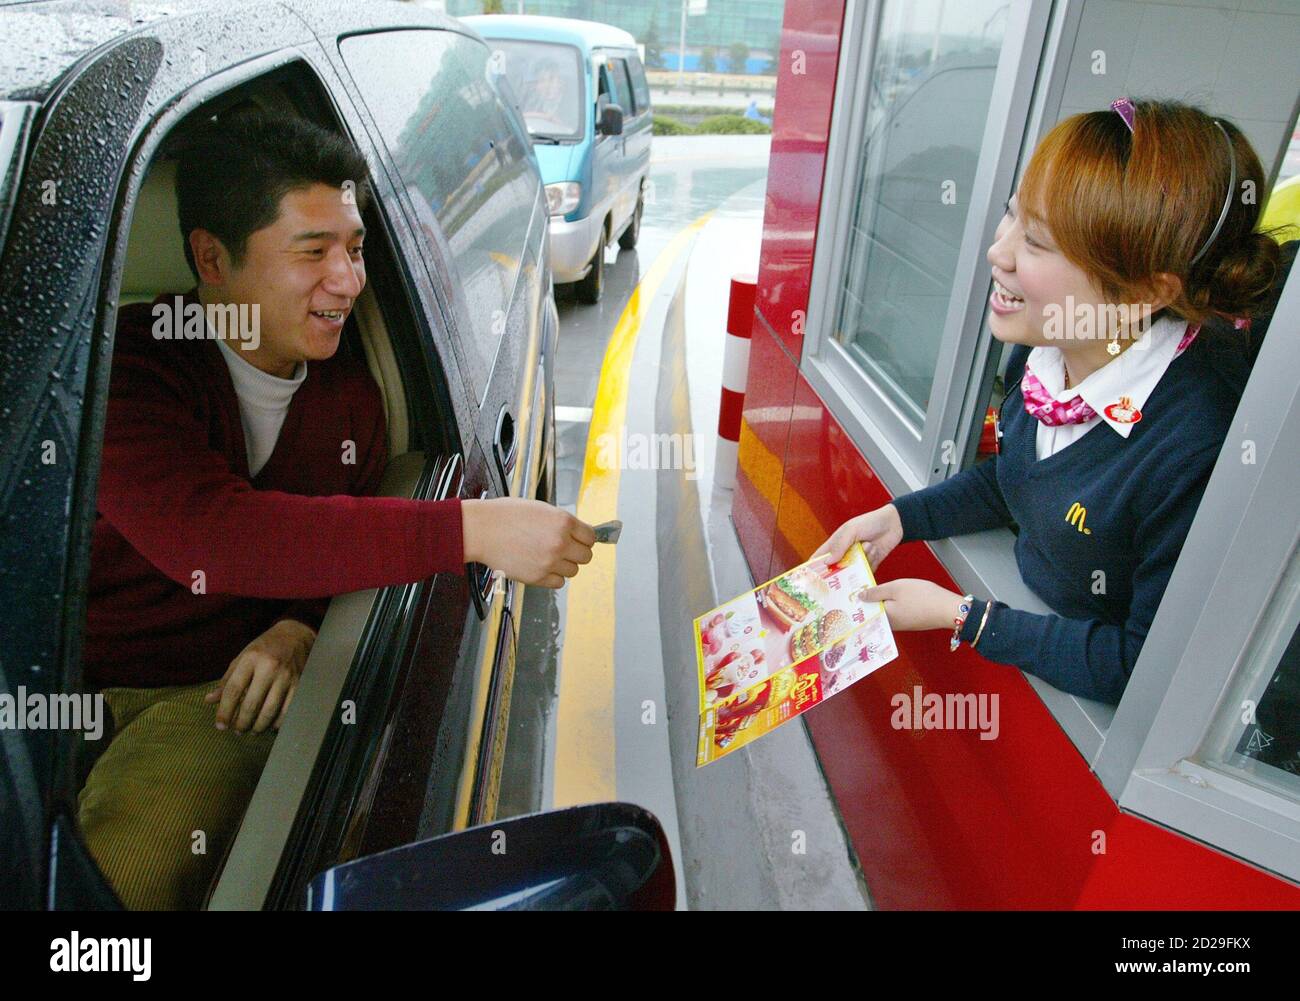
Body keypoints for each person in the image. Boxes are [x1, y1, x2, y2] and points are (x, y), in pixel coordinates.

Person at [78, 112, 595, 909]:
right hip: (68, 676)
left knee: (123, 883)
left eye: (354, 249)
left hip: (210, 697)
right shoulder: (130, 371)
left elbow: (334, 535)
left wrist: (301, 624)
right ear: (212, 259)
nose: (349, 280)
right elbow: (212, 534)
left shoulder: (353, 397)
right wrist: (475, 527)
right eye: (313, 251)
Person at [817, 98, 1296, 706]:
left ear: (1146, 291)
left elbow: (1139, 667)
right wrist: (903, 518)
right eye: (1012, 215)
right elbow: (1022, 477)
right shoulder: (1048, 348)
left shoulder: (1196, 448)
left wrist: (966, 618)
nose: (1000, 252)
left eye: (1038, 242)